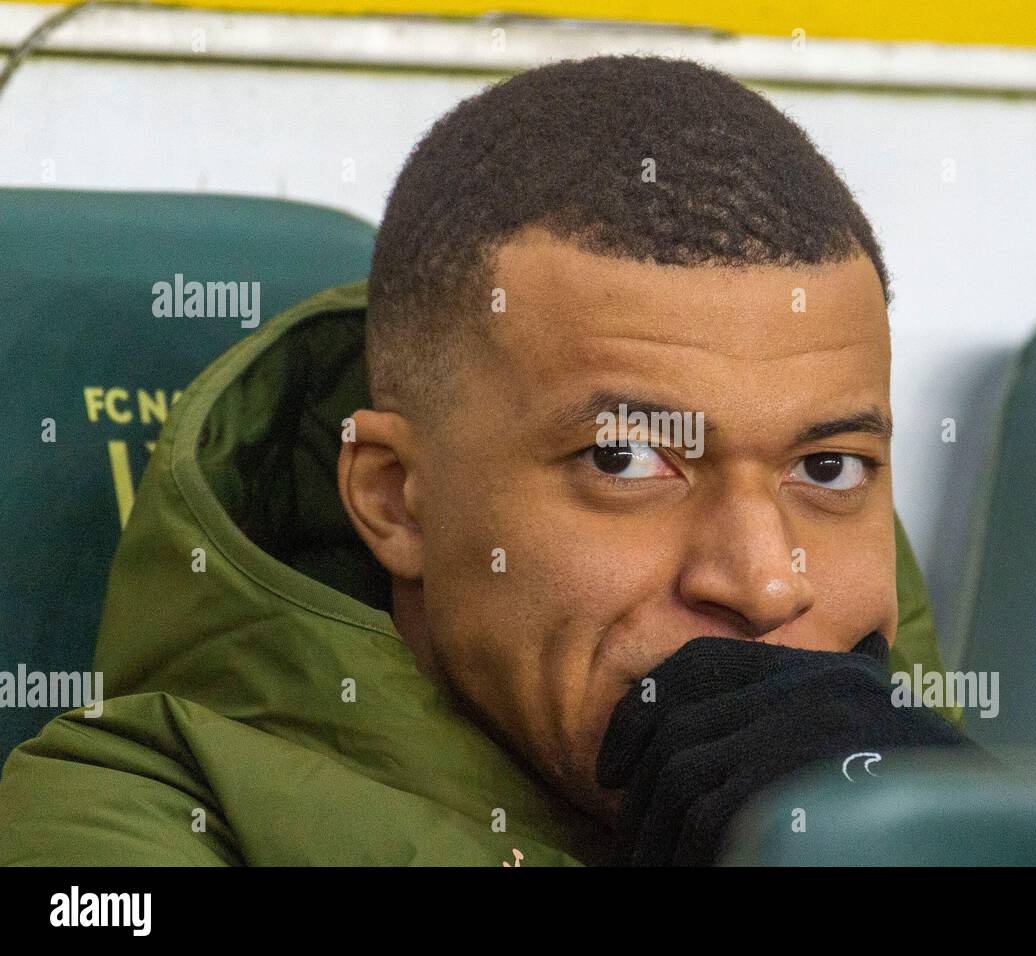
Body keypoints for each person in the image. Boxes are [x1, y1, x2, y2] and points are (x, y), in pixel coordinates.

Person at [0, 54, 968, 867]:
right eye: (626, 458)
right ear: (395, 499)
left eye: (828, 468)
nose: (763, 582)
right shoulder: (134, 820)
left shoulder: (924, 795)